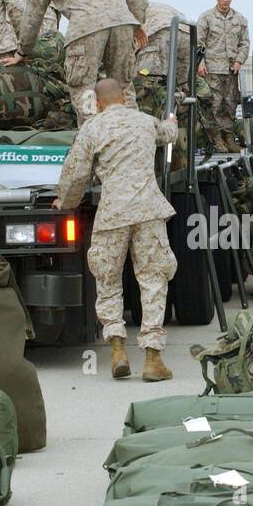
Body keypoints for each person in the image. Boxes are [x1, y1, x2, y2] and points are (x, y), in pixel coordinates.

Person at [53, 79, 178, 381]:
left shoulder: (92, 129)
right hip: (148, 210)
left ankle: (118, 350)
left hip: (112, 213)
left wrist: (64, 201)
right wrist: (173, 119)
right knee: (152, 280)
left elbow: (76, 173)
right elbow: (168, 133)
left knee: (108, 280)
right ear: (125, 97)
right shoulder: (145, 121)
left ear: (97, 103)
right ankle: (152, 358)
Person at [16, 0, 148, 124]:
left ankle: (93, 143)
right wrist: (138, 23)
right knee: (123, 88)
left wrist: (23, 51)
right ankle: (133, 139)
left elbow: (33, 15)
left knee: (84, 90)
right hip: (122, 22)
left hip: (86, 28)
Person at [196, 0, 251, 152]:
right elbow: (198, 42)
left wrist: (239, 61)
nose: (225, 0)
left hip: (230, 70)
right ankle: (216, 138)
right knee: (214, 105)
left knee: (230, 105)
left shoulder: (240, 20)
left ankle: (228, 137)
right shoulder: (206, 18)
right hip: (211, 70)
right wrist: (200, 62)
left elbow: (245, 43)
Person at [137, 2, 191, 79]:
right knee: (182, 82)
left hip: (161, 31)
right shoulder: (151, 5)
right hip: (188, 32)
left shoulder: (129, 10)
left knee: (147, 77)